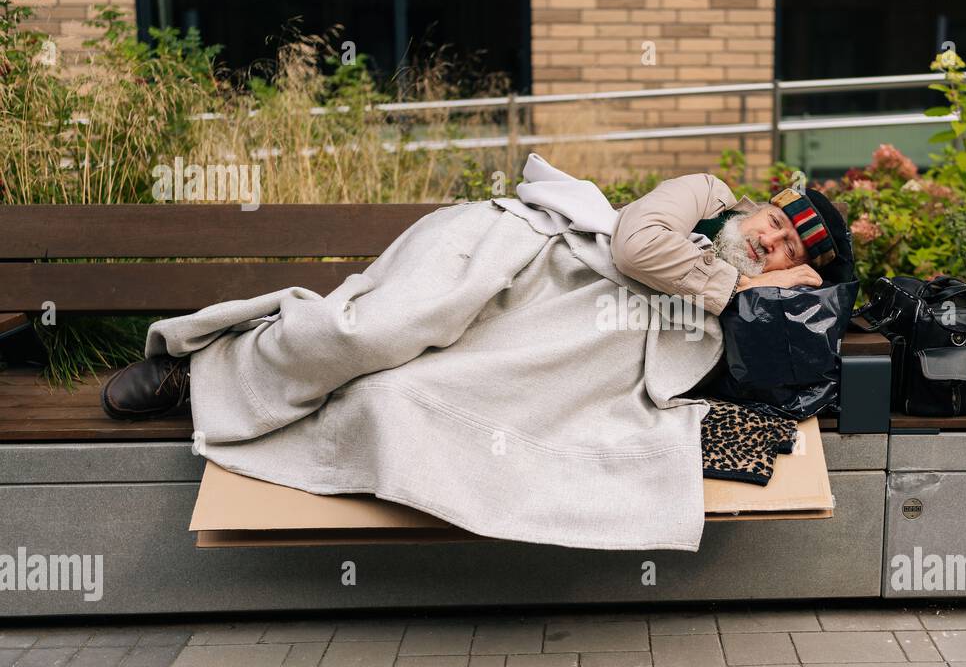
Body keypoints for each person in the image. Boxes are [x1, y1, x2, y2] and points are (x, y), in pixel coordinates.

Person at [100, 171, 853, 421]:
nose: (772, 242)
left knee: (396, 395)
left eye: (791, 251)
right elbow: (633, 244)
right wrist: (749, 285)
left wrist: (780, 291)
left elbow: (767, 358)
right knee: (372, 333)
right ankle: (195, 370)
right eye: (778, 223)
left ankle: (239, 384)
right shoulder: (706, 194)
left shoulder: (756, 296)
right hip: (507, 257)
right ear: (761, 204)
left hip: (540, 335)